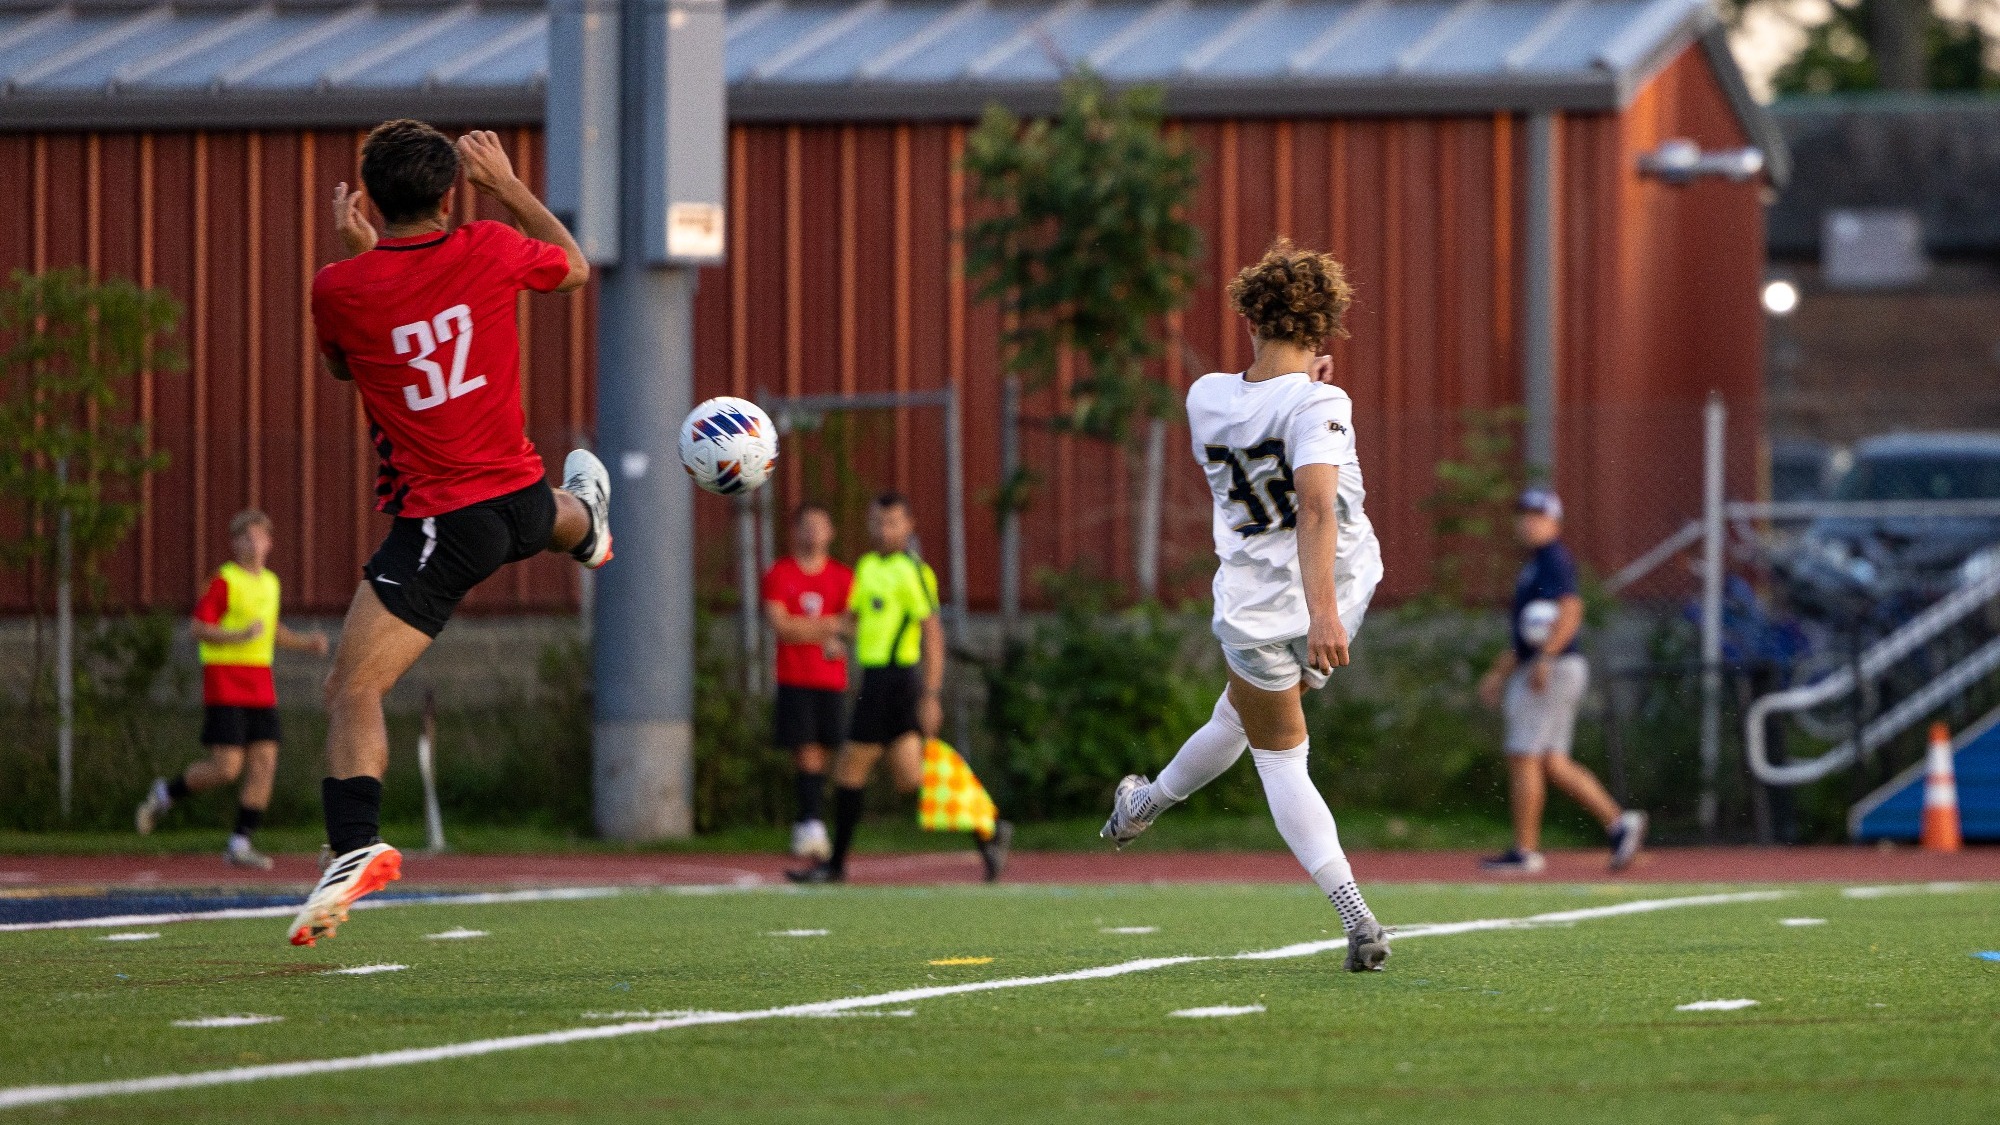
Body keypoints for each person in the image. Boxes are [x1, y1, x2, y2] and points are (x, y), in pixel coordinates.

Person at [291, 120, 611, 946]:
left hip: (445, 520)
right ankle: (586, 527)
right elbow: (573, 268)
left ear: (370, 196)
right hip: (519, 498)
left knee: (350, 688)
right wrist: (506, 186)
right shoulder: (492, 244)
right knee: (551, 514)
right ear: (447, 194)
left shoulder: (339, 288)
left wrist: (358, 256)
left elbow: (341, 366)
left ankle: (353, 847)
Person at [1100, 239, 1391, 972]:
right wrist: (1326, 610)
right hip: (1341, 592)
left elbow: (1265, 413)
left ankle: (1354, 912)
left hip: (1258, 610)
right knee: (1245, 723)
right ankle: (1145, 806)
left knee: (1277, 753)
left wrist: (1304, 389)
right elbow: (1319, 507)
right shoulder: (1322, 401)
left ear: (1250, 319)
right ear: (1323, 329)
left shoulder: (1206, 397)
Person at [788, 493, 1011, 884]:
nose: (883, 529)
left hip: (898, 681)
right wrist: (837, 638)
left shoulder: (913, 571)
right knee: (911, 778)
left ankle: (836, 866)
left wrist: (930, 694)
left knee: (849, 769)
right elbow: (858, 620)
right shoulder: (869, 566)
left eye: (892, 522)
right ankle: (989, 829)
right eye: (877, 521)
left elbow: (932, 634)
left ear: (909, 526)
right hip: (874, 678)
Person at [135, 510, 329, 868]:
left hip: (260, 684)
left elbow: (270, 630)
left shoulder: (271, 583)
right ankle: (165, 793)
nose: (254, 544)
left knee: (266, 763)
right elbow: (199, 628)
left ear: (270, 543)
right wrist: (238, 636)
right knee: (227, 768)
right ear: (235, 543)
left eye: (260, 537)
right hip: (225, 680)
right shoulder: (226, 581)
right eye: (246, 537)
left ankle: (240, 842)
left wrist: (306, 643)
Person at [1476, 488, 1647, 873]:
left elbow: (1571, 608)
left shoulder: (1553, 559)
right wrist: (1498, 673)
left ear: (1554, 521)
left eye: (1537, 515)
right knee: (1552, 761)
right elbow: (1524, 636)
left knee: (1524, 755)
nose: (1527, 522)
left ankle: (1525, 851)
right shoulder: (1536, 563)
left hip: (1553, 666)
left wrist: (1546, 657)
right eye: (1523, 514)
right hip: (1552, 664)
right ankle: (1620, 824)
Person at [761, 504, 854, 862]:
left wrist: (820, 630)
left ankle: (811, 819)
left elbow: (853, 624)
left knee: (827, 750)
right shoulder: (780, 573)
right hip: (794, 675)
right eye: (806, 526)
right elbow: (782, 625)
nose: (813, 533)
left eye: (820, 526)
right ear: (796, 532)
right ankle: (810, 822)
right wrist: (829, 627)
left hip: (831, 678)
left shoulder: (844, 577)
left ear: (830, 532)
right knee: (805, 749)